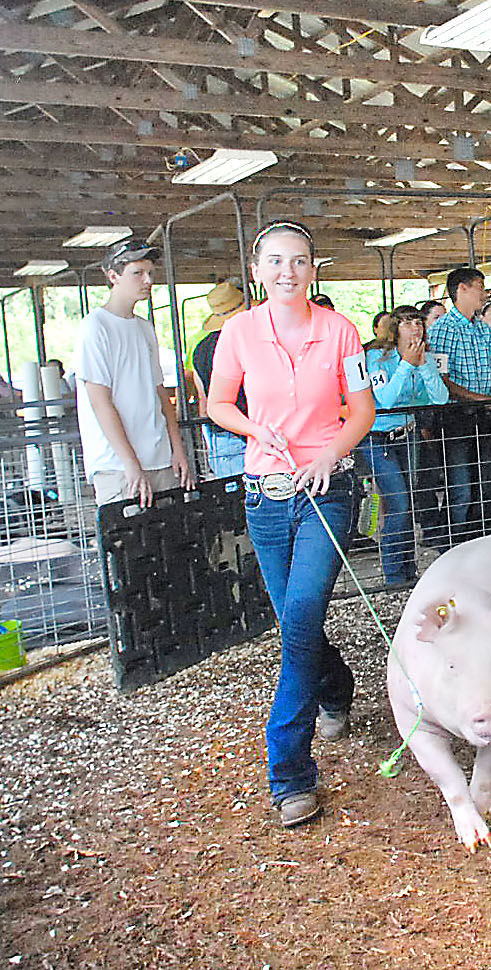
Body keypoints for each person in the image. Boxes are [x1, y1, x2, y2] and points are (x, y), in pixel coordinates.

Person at [206, 219, 376, 829]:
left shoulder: (341, 332)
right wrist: (255, 429)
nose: (288, 271)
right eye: (275, 261)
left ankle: (290, 773)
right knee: (295, 624)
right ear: (257, 270)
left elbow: (362, 410)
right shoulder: (238, 331)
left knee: (301, 616)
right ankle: (335, 686)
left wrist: (331, 455)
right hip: (265, 494)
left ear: (313, 269)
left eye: (299, 261)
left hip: (326, 491)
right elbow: (217, 403)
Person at [75, 237, 194, 506]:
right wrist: (130, 462)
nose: (147, 280)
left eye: (150, 273)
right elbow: (99, 400)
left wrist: (178, 449)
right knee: (130, 542)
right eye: (137, 273)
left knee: (173, 541)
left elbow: (159, 392)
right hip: (118, 466)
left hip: (160, 459)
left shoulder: (144, 328)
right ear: (113, 276)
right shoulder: (95, 327)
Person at [360, 306, 448, 584]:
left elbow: (440, 397)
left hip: (407, 436)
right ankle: (395, 574)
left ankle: (407, 570)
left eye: (418, 322)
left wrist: (422, 365)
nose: (416, 327)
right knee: (398, 501)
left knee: (406, 501)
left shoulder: (426, 357)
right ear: (395, 328)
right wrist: (408, 364)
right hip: (378, 438)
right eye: (408, 323)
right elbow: (385, 398)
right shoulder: (377, 357)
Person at [425, 266, 491, 544]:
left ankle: (481, 541)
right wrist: (484, 400)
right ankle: (453, 544)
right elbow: (442, 381)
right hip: (456, 416)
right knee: (462, 486)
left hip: (485, 415)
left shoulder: (484, 330)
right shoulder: (442, 330)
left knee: (488, 481)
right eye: (479, 286)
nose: (484, 292)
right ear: (462, 289)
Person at [190, 281, 249, 478]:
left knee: (232, 498)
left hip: (221, 433)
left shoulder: (200, 350)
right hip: (252, 429)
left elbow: (203, 400)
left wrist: (209, 437)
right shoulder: (244, 343)